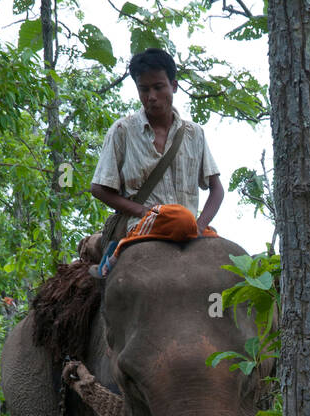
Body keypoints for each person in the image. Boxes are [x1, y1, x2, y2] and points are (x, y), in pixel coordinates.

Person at [90, 48, 224, 268]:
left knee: (230, 261)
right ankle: (120, 248)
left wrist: (199, 227)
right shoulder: (122, 131)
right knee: (179, 217)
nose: (151, 96)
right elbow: (98, 188)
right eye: (144, 89)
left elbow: (216, 189)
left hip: (187, 229)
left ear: (173, 86)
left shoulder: (195, 134)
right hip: (141, 225)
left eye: (158, 87)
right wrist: (142, 211)